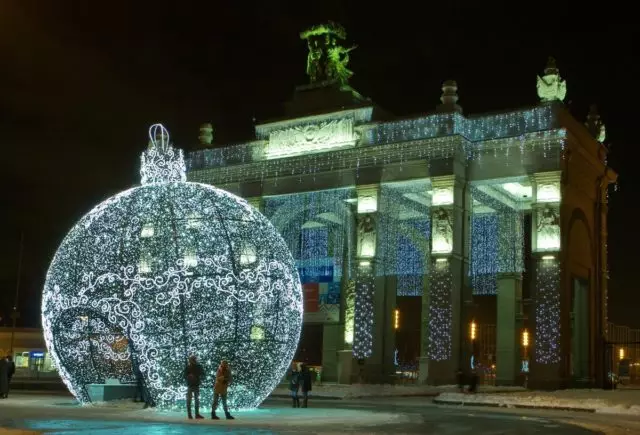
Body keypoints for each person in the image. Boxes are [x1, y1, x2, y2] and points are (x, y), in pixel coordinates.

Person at [184, 355, 204, 419]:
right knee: (191, 400)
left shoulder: (197, 366)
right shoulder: (189, 367)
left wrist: (193, 375)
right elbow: (184, 375)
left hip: (194, 385)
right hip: (191, 385)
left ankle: (194, 414)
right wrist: (189, 376)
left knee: (194, 400)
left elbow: (202, 373)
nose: (192, 361)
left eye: (193, 359)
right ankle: (192, 415)